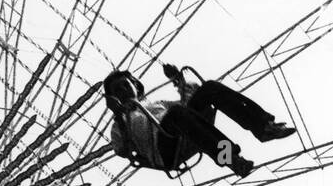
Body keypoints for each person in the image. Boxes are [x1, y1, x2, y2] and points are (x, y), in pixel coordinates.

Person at [103, 65, 296, 178]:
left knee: (209, 88)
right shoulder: (118, 125)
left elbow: (188, 103)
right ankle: (230, 159)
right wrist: (120, 115)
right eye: (117, 91)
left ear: (135, 85)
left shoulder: (159, 104)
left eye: (125, 85)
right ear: (113, 99)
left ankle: (263, 127)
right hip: (164, 149)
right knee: (177, 113)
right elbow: (123, 151)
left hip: (182, 128)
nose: (123, 91)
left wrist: (178, 79)